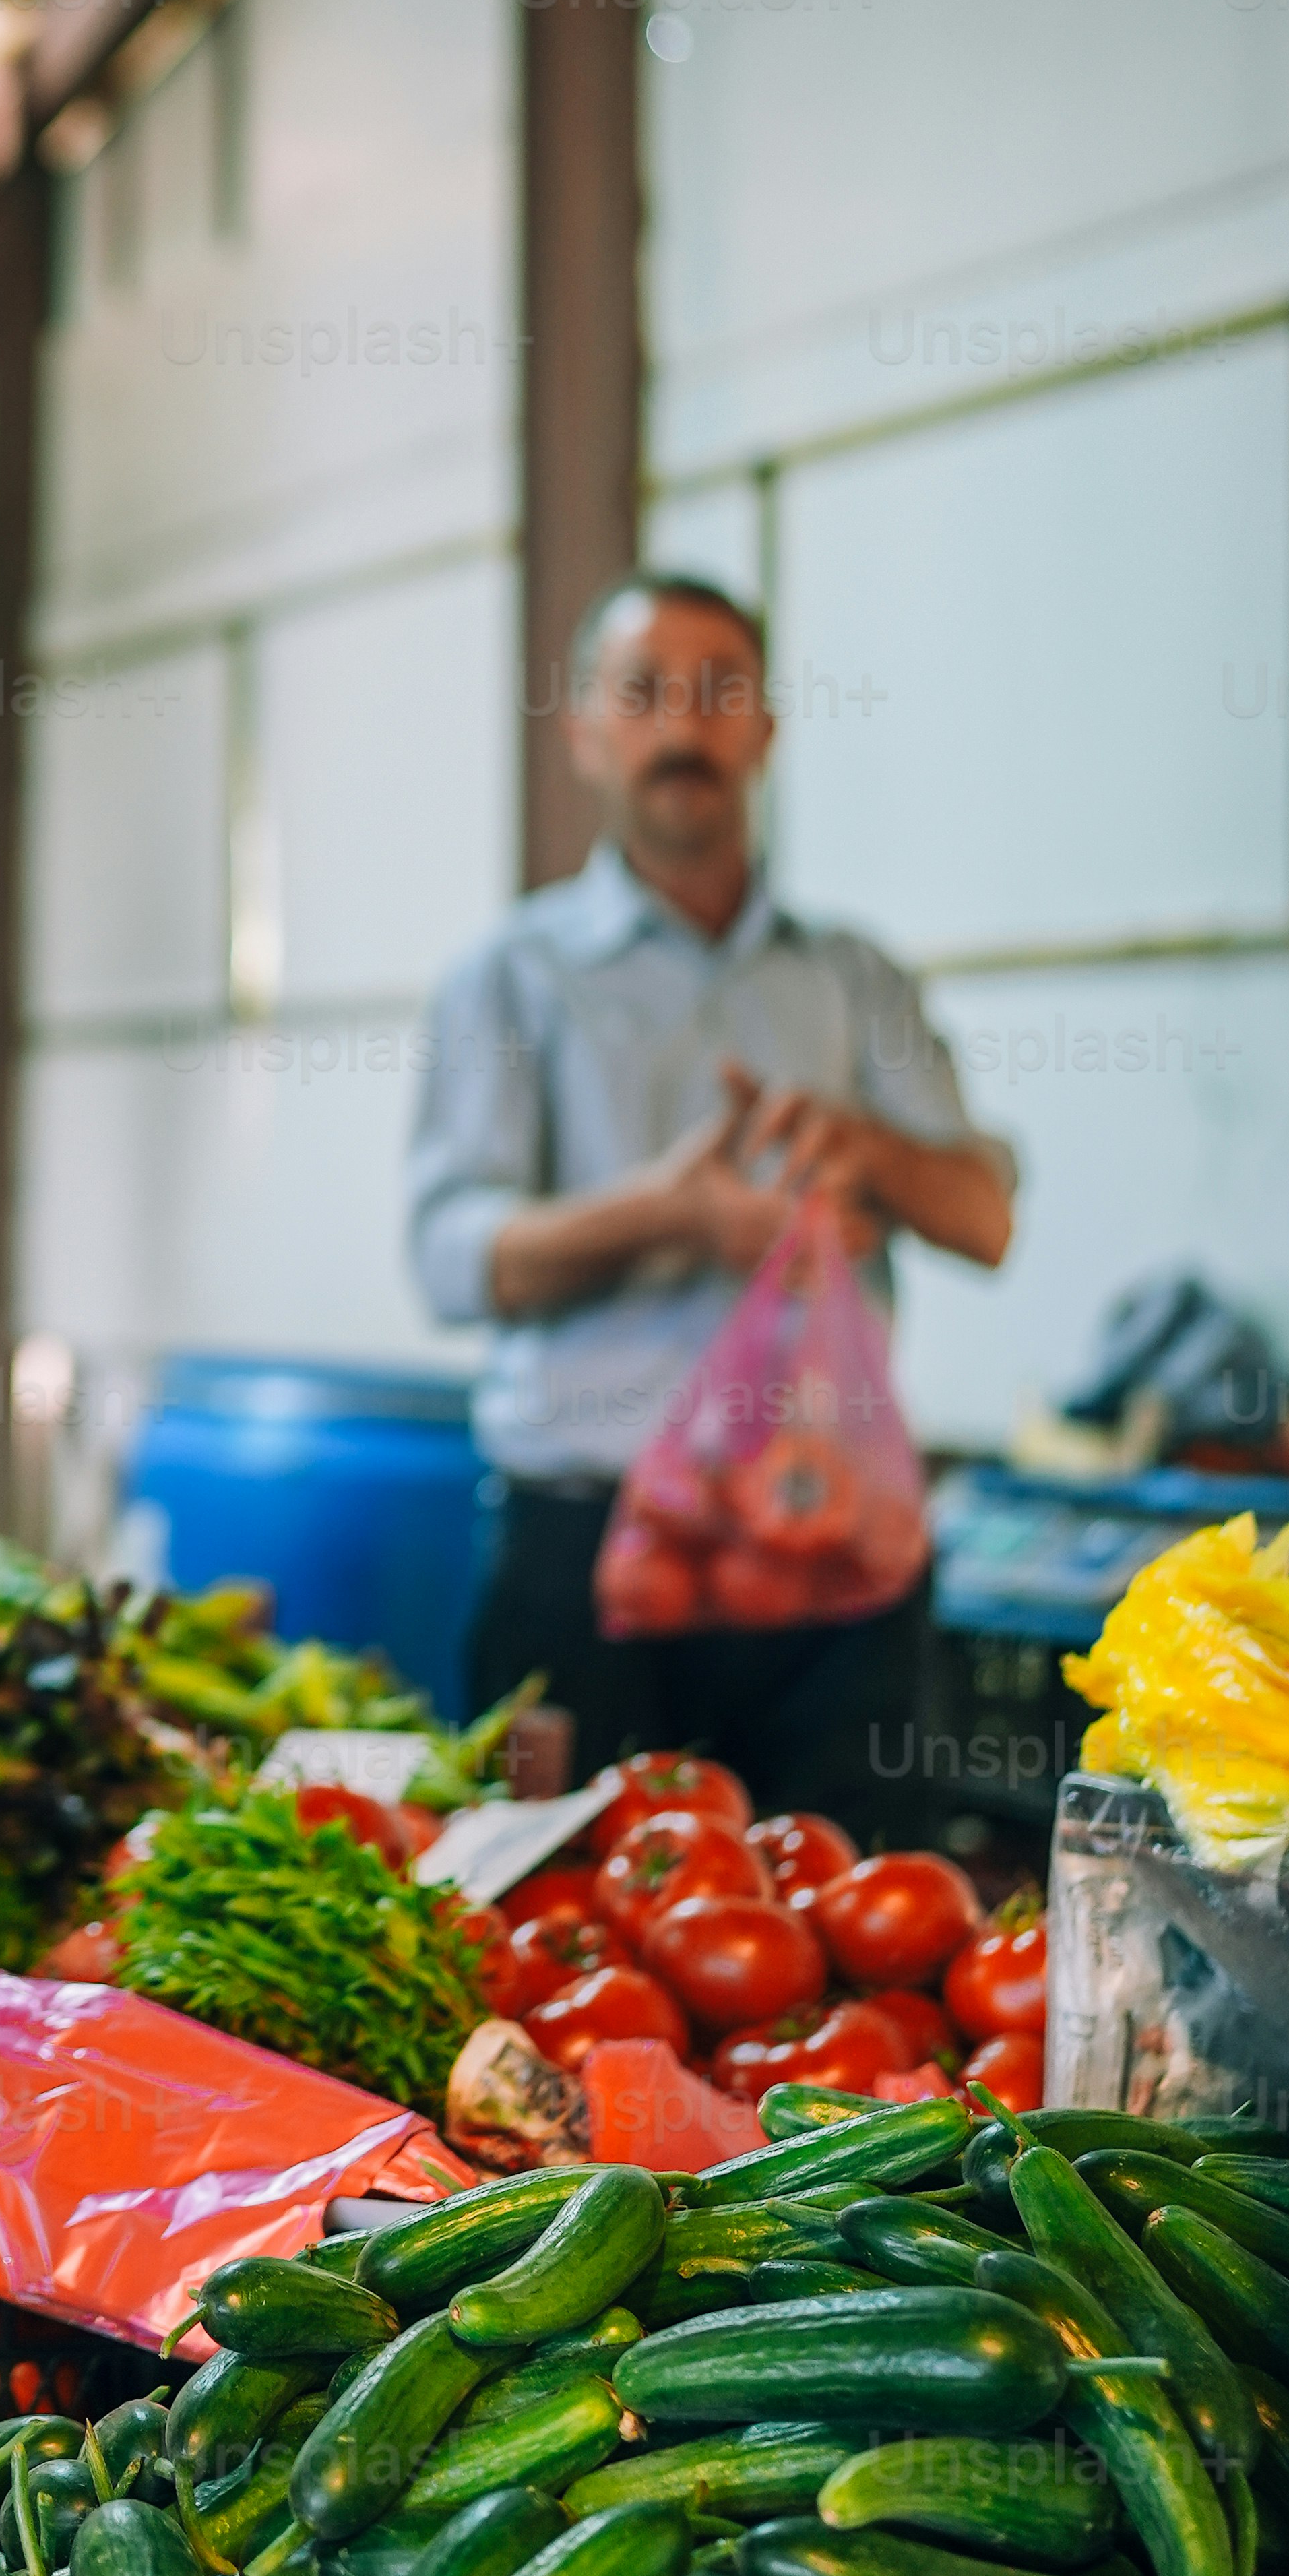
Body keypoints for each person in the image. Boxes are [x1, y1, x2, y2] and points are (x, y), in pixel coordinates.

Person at [406, 569, 1015, 1821]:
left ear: (766, 726)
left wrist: (862, 1156)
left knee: (851, 1946)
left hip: (830, 1571)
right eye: (643, 693)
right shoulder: (508, 980)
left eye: (719, 690)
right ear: (584, 729)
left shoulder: (852, 982)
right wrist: (672, 1214)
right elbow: (450, 1259)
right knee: (558, 1951)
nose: (682, 725)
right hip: (581, 1565)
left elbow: (984, 1215)